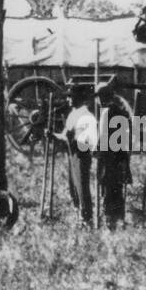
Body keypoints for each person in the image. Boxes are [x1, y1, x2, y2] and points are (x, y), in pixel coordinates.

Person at [95, 78, 133, 231]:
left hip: (108, 158)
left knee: (108, 190)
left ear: (101, 98)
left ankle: (110, 224)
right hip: (121, 157)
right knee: (117, 191)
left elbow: (103, 138)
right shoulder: (122, 111)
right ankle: (120, 220)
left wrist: (96, 151)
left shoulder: (106, 113)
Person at [62, 87, 97, 227]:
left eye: (72, 97)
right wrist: (53, 135)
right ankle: (78, 213)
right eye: (68, 97)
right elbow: (65, 134)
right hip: (72, 154)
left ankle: (87, 217)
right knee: (73, 185)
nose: (68, 99)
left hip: (82, 154)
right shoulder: (72, 114)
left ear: (79, 97)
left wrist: (73, 138)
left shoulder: (86, 115)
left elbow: (88, 139)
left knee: (82, 186)